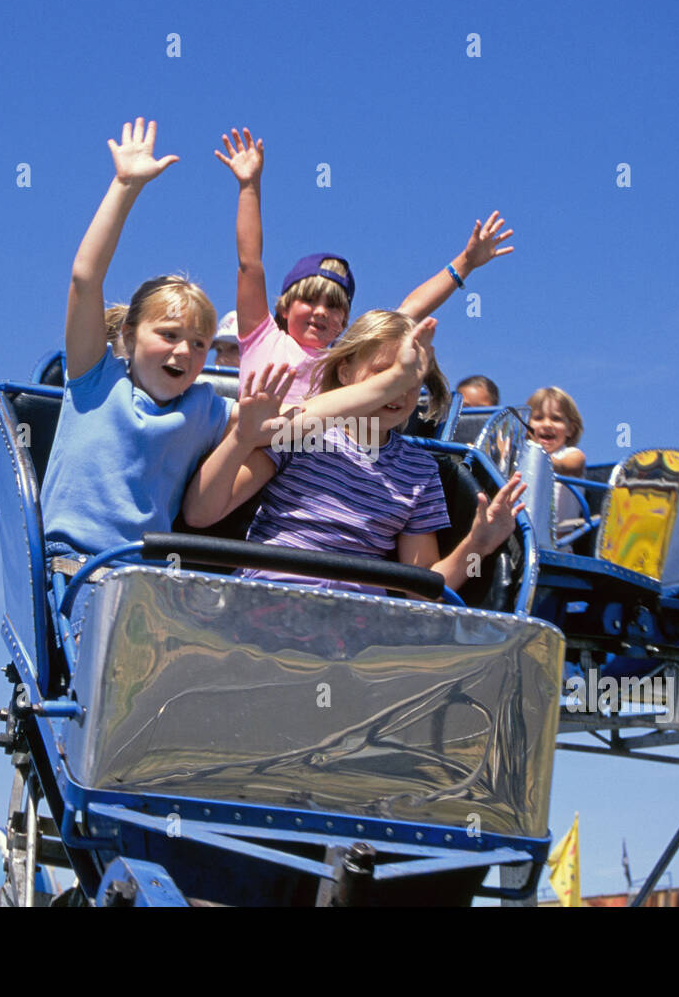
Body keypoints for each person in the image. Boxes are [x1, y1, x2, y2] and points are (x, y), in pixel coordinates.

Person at [42, 119, 431, 637]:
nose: (185, 350)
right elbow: (84, 279)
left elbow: (289, 423)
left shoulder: (203, 407)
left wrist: (382, 390)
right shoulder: (93, 378)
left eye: (200, 343)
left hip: (147, 579)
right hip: (77, 570)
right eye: (169, 334)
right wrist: (125, 187)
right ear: (130, 334)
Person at [184, 310, 525, 597]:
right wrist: (243, 438)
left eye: (411, 379)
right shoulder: (300, 435)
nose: (400, 391)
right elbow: (200, 514)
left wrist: (476, 546)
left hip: (355, 626)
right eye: (386, 374)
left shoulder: (419, 472)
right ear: (345, 371)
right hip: (272, 597)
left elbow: (420, 590)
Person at [215, 127, 514, 404]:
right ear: (284, 308)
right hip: (257, 451)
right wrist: (250, 186)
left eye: (333, 306)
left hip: (314, 460)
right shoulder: (261, 335)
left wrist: (466, 263)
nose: (321, 311)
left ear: (345, 321)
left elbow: (409, 310)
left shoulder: (344, 364)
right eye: (308, 300)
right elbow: (250, 264)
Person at [525, 386, 587, 527]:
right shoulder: (521, 456)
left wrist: (536, 460)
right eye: (538, 418)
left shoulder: (571, 454)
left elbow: (572, 465)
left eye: (556, 419)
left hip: (558, 542)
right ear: (527, 426)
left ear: (570, 429)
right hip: (520, 534)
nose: (547, 424)